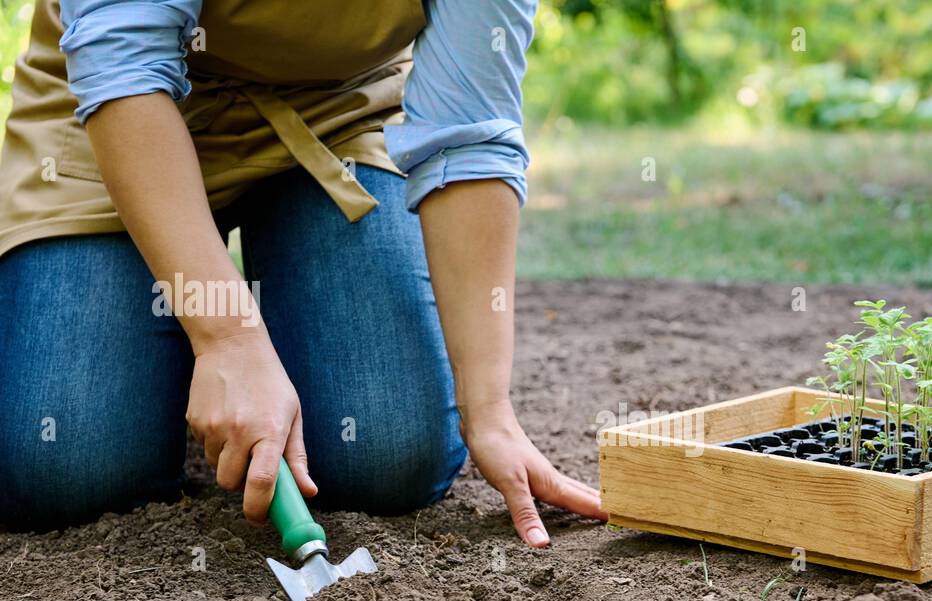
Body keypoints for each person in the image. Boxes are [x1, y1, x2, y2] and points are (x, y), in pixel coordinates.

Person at [0, 0, 606, 547]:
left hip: (334, 110)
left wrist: (488, 406)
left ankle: (236, 350)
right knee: (65, 466)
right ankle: (195, 349)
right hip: (111, 112)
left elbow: (468, 136)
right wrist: (227, 339)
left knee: (382, 454)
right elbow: (121, 64)